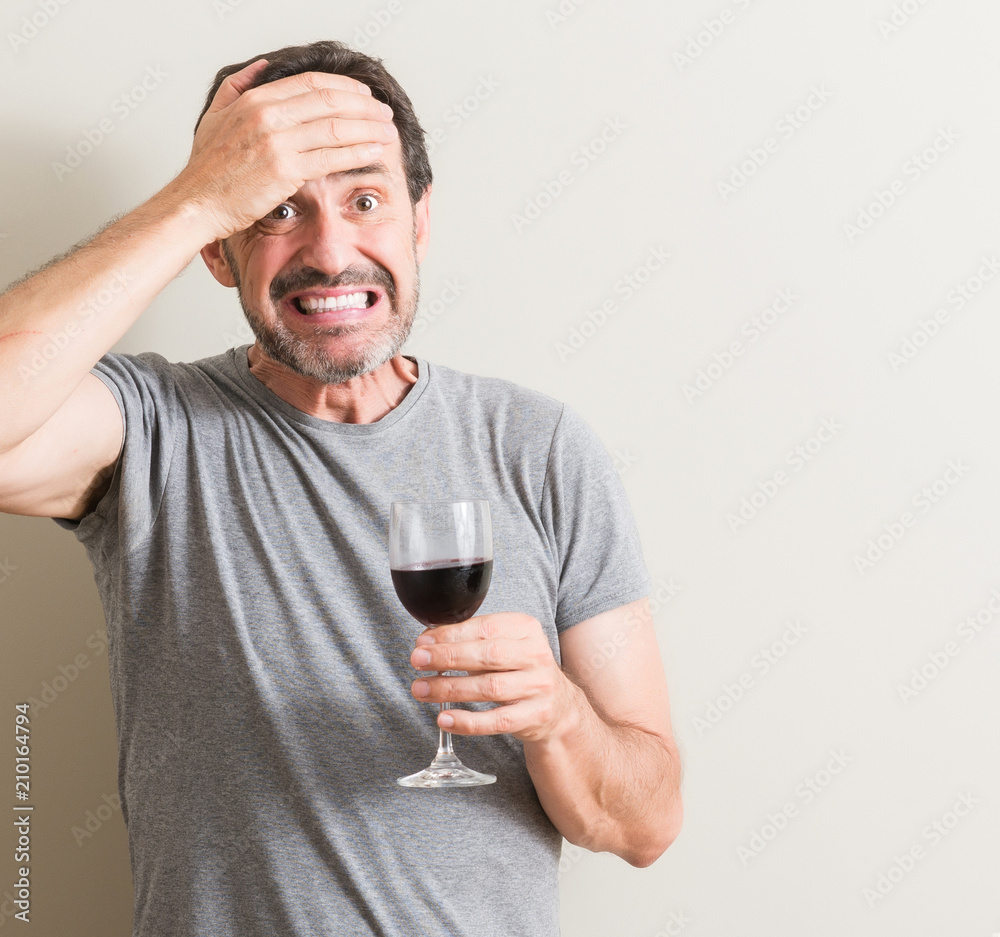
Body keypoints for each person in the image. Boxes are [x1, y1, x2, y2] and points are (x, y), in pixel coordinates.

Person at [0, 40, 682, 937]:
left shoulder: (541, 447)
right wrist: (197, 194)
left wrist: (558, 714)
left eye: (366, 199)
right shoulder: (150, 429)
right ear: (217, 249)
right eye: (277, 208)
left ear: (418, 220)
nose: (330, 252)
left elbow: (644, 822)